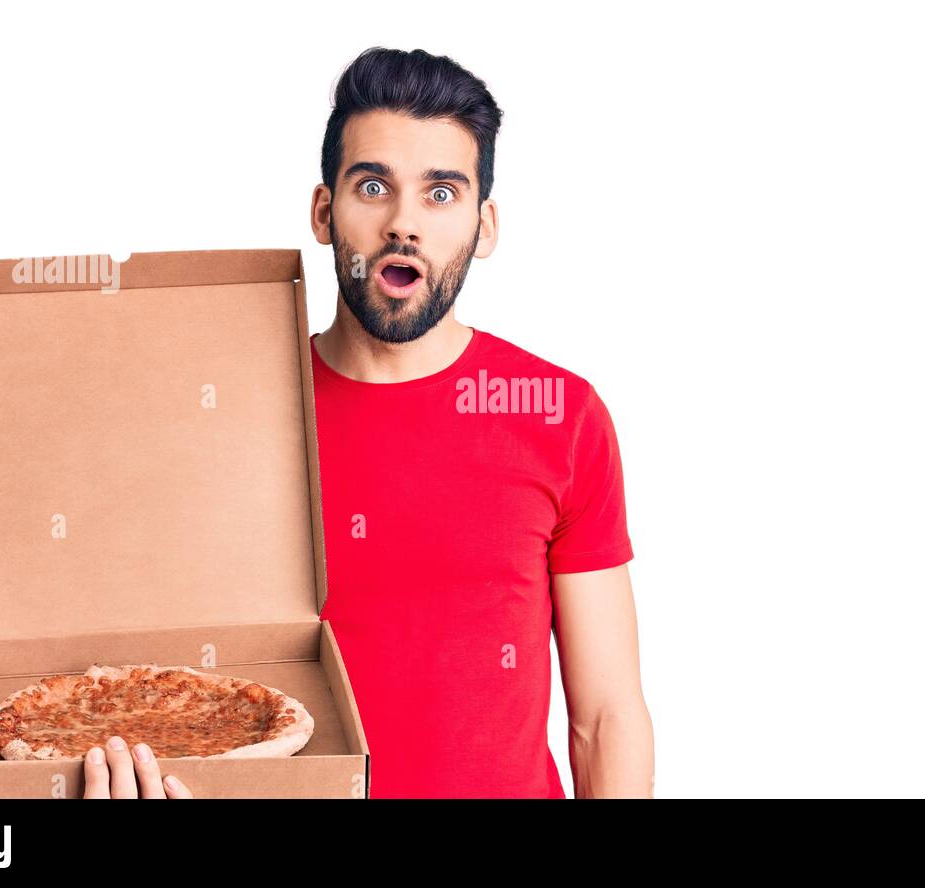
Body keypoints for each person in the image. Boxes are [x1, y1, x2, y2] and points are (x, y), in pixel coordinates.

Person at [83, 46, 652, 799]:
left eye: (440, 193)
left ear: (484, 226)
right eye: (373, 185)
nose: (403, 224)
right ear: (325, 213)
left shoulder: (557, 414)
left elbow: (606, 717)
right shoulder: (224, 418)